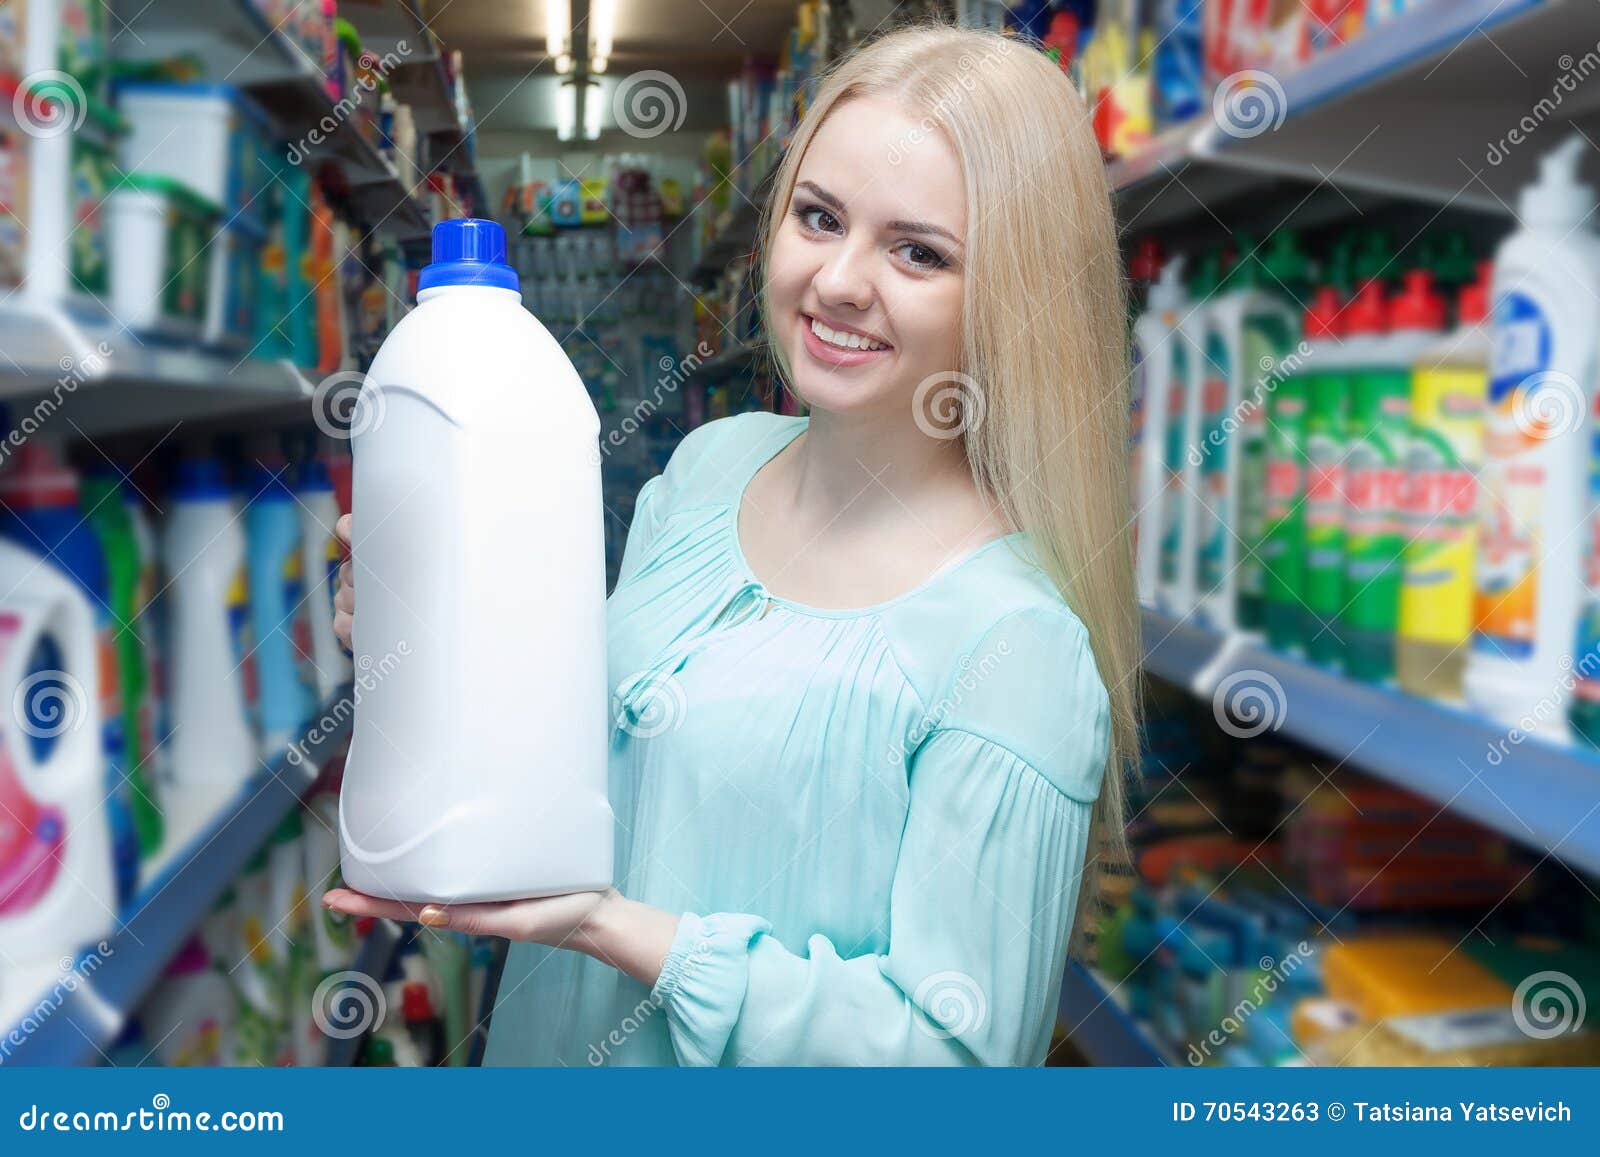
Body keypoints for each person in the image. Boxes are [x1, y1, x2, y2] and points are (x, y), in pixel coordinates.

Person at [323, 20, 1139, 1067]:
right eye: (819, 215)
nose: (839, 280)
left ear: (1013, 300)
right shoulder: (709, 471)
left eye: (919, 250)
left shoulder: (1014, 646)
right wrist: (432, 636)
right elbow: (592, 741)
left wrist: (614, 930)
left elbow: (952, 1058)